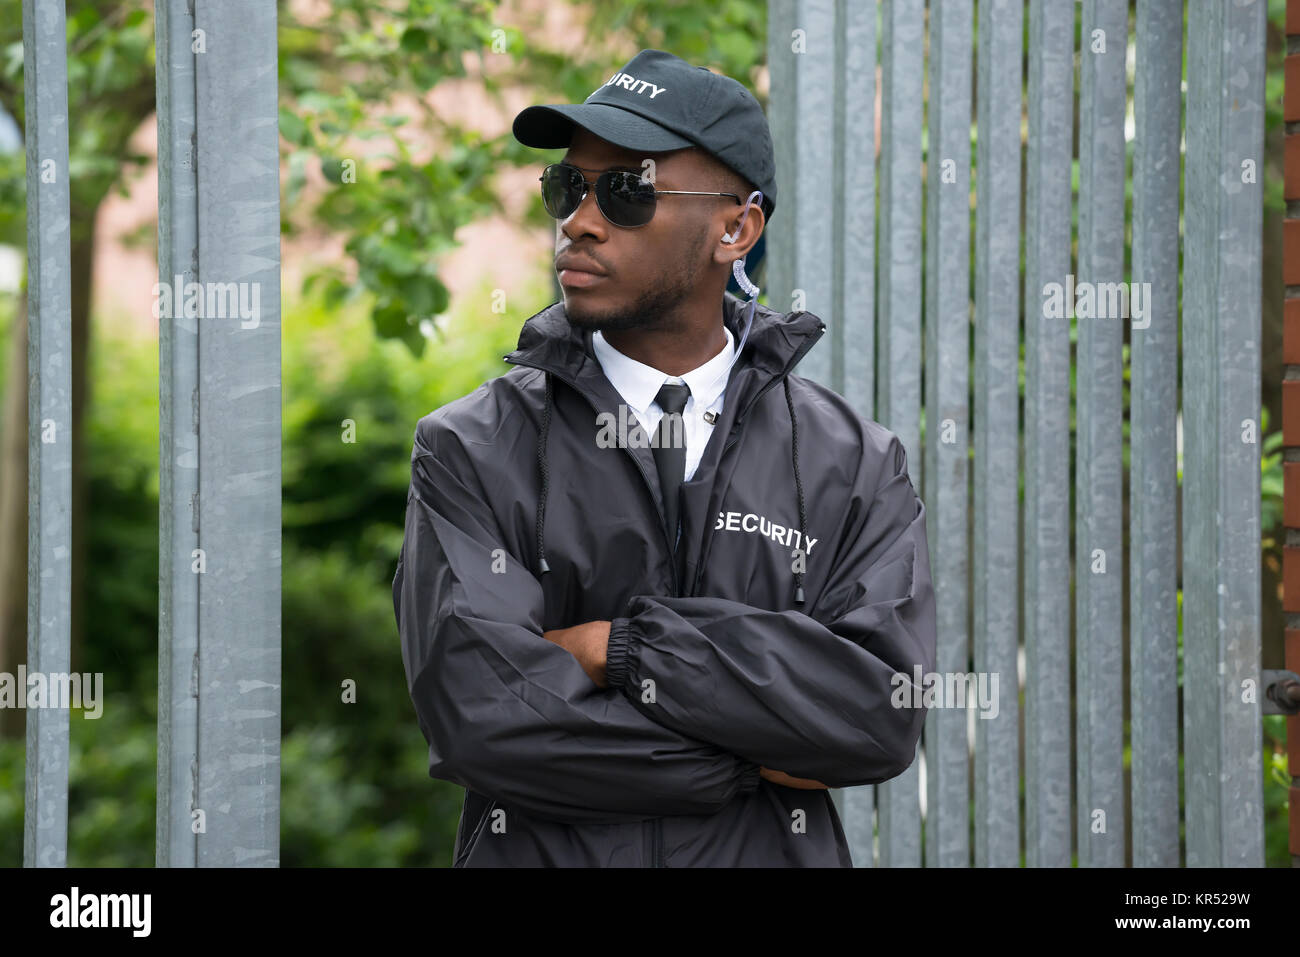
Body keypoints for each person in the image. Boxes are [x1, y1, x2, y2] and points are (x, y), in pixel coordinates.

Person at [392, 48, 938, 867]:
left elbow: (877, 717)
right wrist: (755, 757)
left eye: (628, 189)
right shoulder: (469, 449)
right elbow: (485, 718)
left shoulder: (854, 462)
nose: (579, 218)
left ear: (736, 227)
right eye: (567, 186)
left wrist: (621, 650)